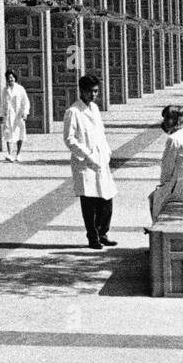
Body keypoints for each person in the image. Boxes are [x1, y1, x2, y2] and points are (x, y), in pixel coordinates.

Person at [63, 76, 117, 249]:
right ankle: (92, 237)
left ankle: (103, 232)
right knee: (90, 201)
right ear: (81, 91)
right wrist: (87, 155)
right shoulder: (73, 111)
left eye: (96, 91)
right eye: (90, 91)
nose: (93, 95)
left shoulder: (94, 108)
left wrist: (107, 151)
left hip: (101, 158)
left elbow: (101, 133)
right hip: (85, 162)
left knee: (106, 199)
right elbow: (69, 139)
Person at [0, 68, 31, 162]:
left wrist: (25, 113)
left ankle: (18, 154)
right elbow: (2, 103)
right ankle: (10, 154)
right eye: (8, 78)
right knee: (8, 133)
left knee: (19, 133)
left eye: (12, 77)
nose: (10, 79)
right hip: (9, 115)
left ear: (15, 78)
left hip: (18, 114)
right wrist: (1, 115)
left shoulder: (20, 89)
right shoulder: (5, 90)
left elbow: (25, 102)